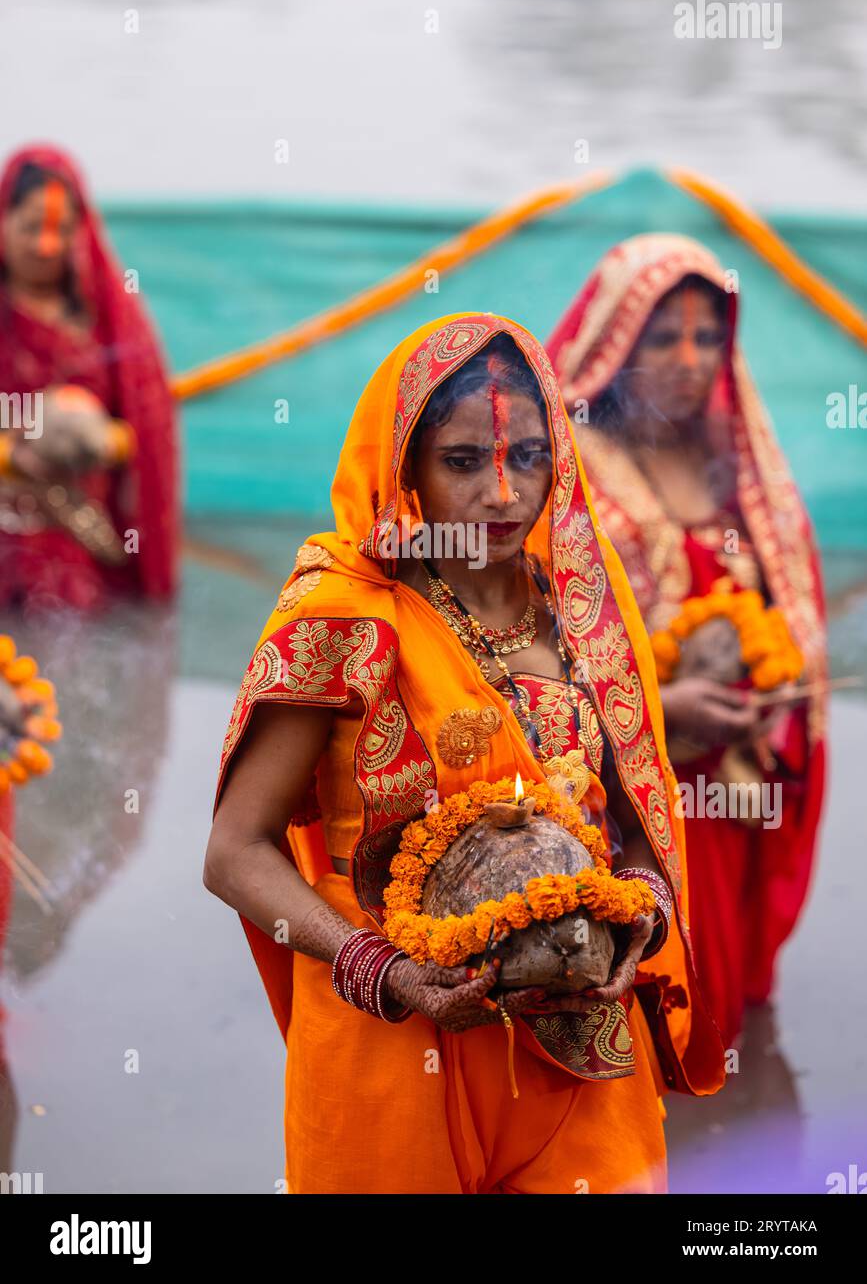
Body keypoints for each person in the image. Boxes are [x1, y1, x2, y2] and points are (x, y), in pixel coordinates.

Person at [205, 311, 723, 1195]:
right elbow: (232, 852)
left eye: (526, 456)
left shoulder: (585, 615)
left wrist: (635, 917)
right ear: (403, 465)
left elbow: (638, 827)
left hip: (578, 1031)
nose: (501, 493)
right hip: (390, 1037)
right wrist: (387, 971)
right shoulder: (345, 615)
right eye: (461, 462)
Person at [547, 235, 827, 1047]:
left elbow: (790, 596)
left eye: (708, 338)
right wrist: (658, 708)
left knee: (723, 1001)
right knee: (647, 1009)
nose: (688, 358)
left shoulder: (738, 467)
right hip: (630, 793)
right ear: (615, 344)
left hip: (737, 776)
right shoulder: (570, 473)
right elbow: (525, 648)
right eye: (663, 335)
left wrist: (781, 686)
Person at [0, 144, 178, 611]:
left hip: (85, 554)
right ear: (3, 222)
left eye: (59, 229)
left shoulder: (107, 323)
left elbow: (147, 432)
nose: (45, 245)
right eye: (30, 227)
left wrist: (94, 439)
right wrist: (17, 453)